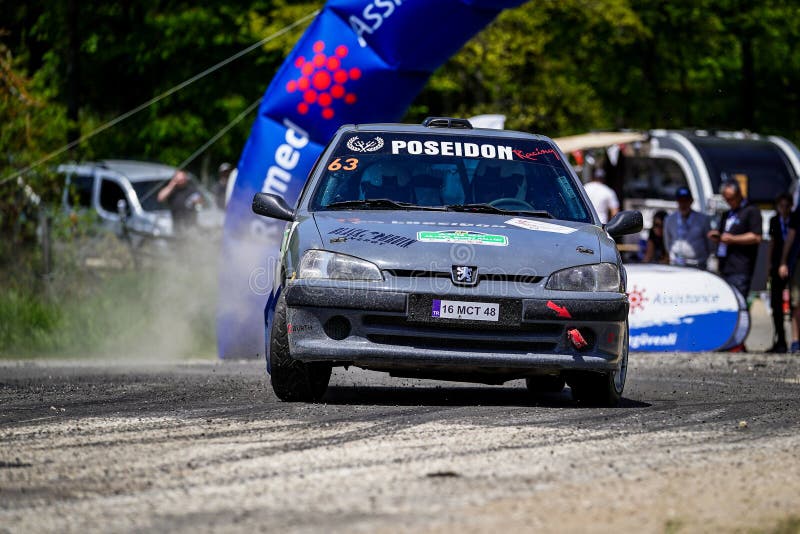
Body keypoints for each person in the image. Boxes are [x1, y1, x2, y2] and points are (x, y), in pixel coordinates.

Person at [708, 180, 763, 300]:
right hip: (724, 265)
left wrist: (733, 239)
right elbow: (724, 236)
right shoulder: (727, 214)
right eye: (726, 199)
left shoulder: (751, 210)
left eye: (730, 198)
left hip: (740, 267)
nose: (728, 202)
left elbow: (756, 237)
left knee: (738, 300)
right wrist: (718, 236)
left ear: (738, 194)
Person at [766, 192, 793, 353]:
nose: (783, 209)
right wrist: (769, 265)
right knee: (776, 305)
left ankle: (795, 340)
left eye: (786, 206)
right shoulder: (774, 221)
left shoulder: (795, 221)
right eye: (780, 206)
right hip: (777, 265)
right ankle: (780, 340)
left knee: (794, 303)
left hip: (793, 263)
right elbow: (772, 243)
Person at [663, 186, 712, 269]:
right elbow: (667, 242)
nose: (683, 204)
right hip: (676, 264)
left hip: (698, 265)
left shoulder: (703, 219)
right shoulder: (669, 220)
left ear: (691, 201)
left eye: (686, 201)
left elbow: (710, 244)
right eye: (680, 201)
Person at [157, 169, 204, 235]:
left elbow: (201, 200)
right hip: (177, 225)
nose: (181, 181)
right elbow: (160, 198)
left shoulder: (192, 189)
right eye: (178, 179)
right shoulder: (172, 190)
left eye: (182, 179)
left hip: (191, 225)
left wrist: (197, 201)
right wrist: (171, 185)